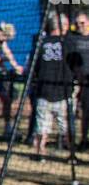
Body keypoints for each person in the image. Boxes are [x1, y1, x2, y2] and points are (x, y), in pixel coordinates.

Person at [33, 10, 73, 159]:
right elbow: (75, 65)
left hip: (44, 90)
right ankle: (71, 154)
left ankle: (40, 152)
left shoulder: (41, 43)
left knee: (42, 125)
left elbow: (34, 66)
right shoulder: (68, 42)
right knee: (67, 126)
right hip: (63, 92)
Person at [0, 21, 24, 139]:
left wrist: (16, 66)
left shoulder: (0, 40)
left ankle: (8, 126)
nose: (6, 41)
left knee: (7, 99)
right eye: (6, 37)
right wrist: (3, 60)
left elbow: (7, 53)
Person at [65, 9, 89, 149]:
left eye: (82, 22)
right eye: (77, 23)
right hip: (78, 81)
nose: (80, 25)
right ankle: (81, 140)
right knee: (82, 112)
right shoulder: (72, 39)